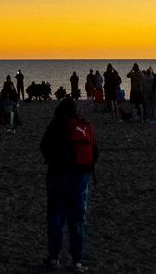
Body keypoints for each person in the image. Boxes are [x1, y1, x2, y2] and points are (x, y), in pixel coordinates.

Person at [39, 98, 98, 271]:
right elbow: (95, 152)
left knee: (56, 217)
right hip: (81, 177)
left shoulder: (56, 124)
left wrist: (52, 161)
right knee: (78, 219)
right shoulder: (84, 126)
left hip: (59, 175)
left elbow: (44, 146)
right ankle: (77, 260)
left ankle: (54, 258)